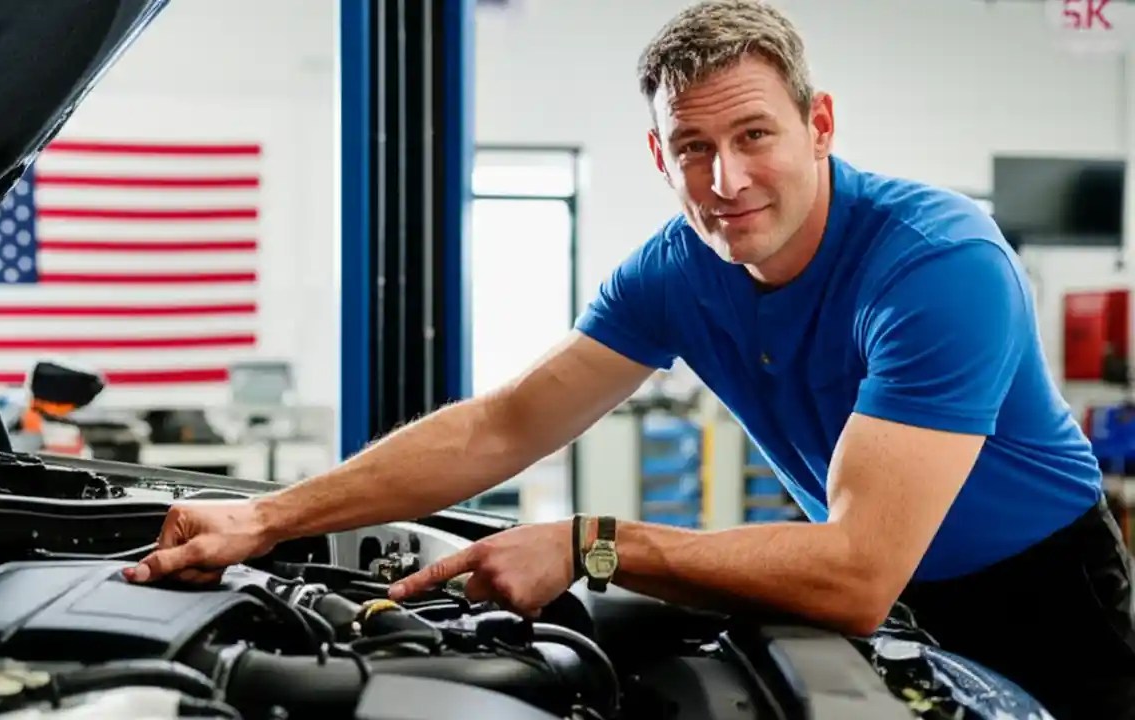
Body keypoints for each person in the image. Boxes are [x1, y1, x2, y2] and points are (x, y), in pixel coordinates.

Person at [124, 0, 1135, 715]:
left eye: (754, 134)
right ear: (659, 156)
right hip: (878, 593)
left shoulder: (935, 263)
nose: (725, 179)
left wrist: (589, 544)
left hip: (1041, 599)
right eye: (692, 146)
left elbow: (858, 571)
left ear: (818, 125)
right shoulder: (673, 270)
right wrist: (265, 517)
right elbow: (502, 426)